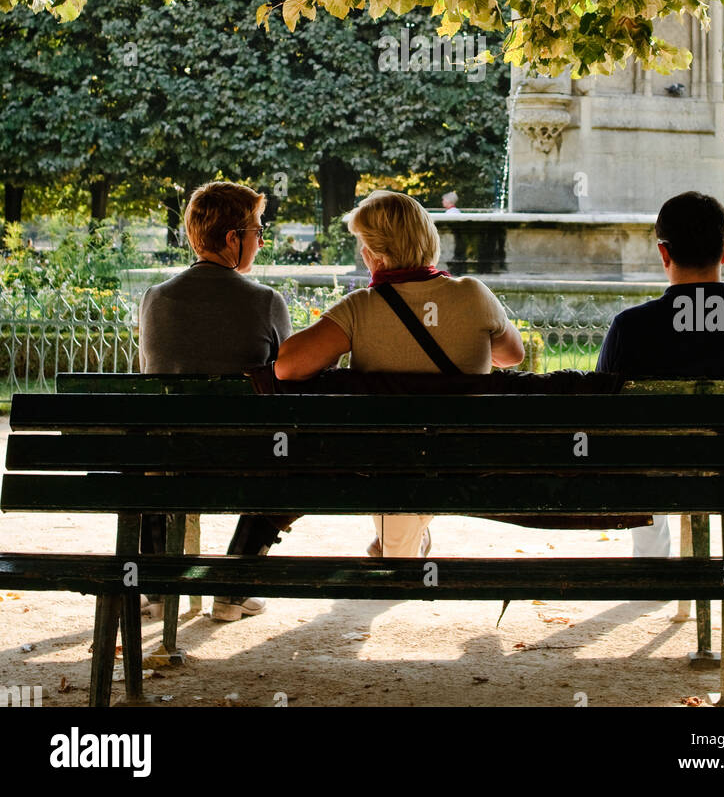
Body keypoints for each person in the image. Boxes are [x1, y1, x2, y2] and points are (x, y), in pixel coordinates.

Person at [274, 189, 524, 556]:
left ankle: (399, 546)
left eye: (362, 244)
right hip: (461, 457)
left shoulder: (361, 308)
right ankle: (402, 541)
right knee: (407, 482)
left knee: (394, 512)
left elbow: (286, 367)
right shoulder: (473, 293)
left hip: (384, 459)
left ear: (374, 253)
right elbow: (512, 355)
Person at [596, 191, 724, 558]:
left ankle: (654, 565)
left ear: (663, 253)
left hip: (653, 475)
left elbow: (603, 410)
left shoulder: (630, 327)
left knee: (640, 459)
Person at [139, 181, 295, 621]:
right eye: (258, 231)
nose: (261, 241)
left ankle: (151, 584)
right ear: (233, 239)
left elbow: (153, 377)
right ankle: (232, 586)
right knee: (289, 464)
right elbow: (287, 382)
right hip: (243, 461)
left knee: (151, 451)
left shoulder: (155, 299)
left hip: (165, 462)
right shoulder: (265, 301)